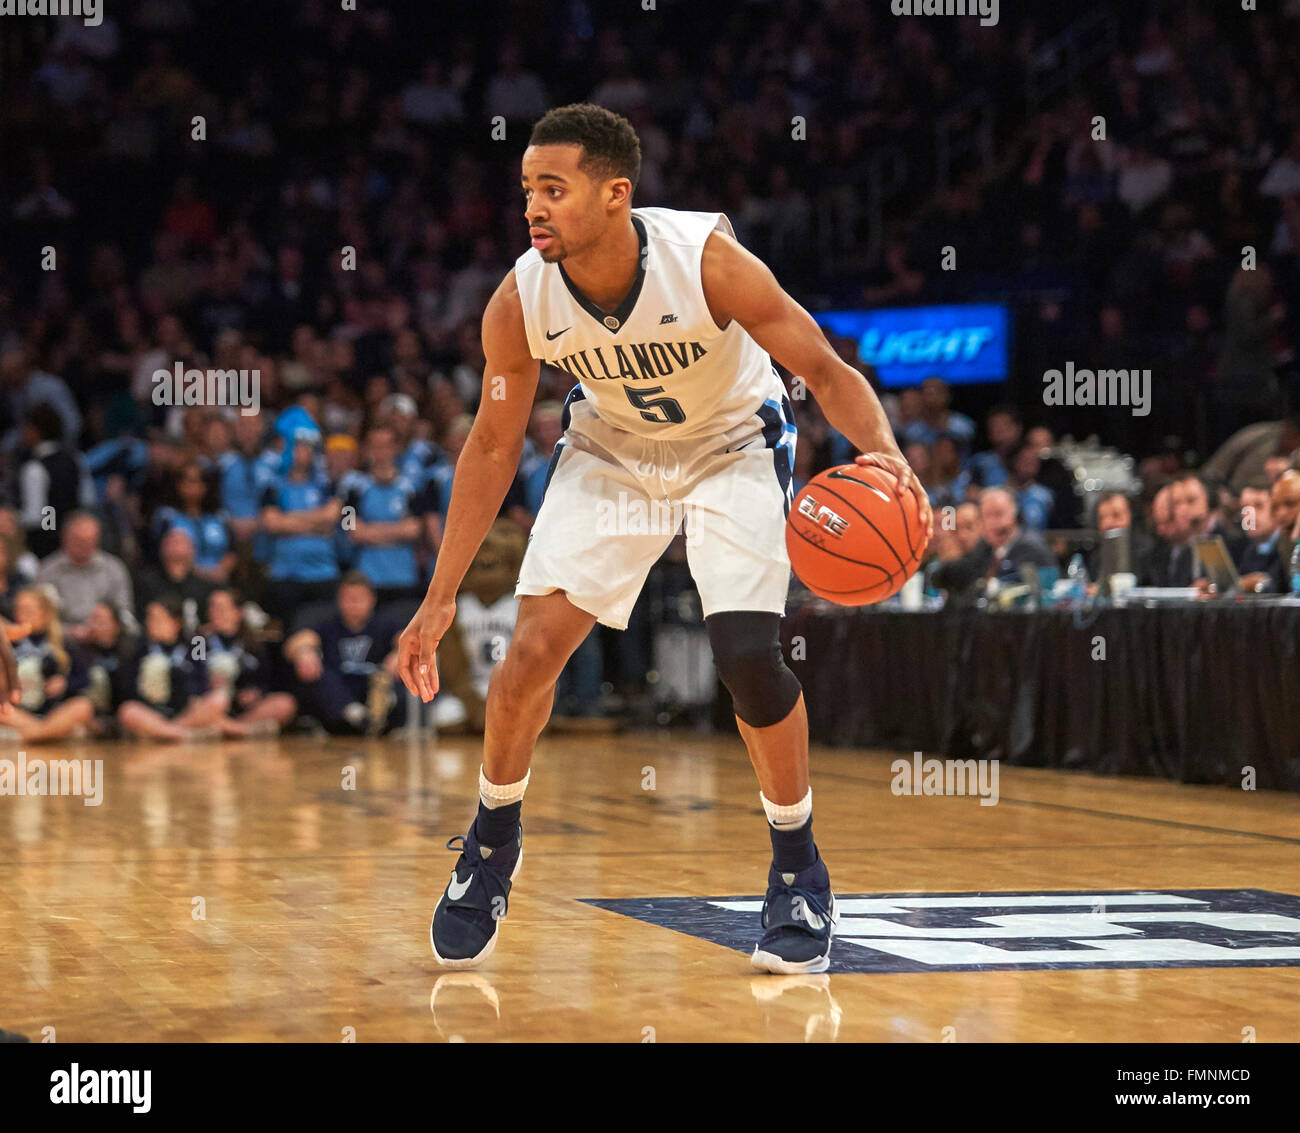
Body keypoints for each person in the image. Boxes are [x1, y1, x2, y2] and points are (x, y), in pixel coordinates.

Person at [397, 104, 929, 975]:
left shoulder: (706, 261)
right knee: (529, 651)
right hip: (611, 453)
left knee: (747, 656)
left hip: (732, 446)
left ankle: (797, 867)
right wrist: (441, 594)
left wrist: (889, 457)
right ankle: (494, 837)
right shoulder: (520, 297)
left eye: (554, 189)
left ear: (615, 194)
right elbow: (492, 444)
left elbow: (825, 368)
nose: (533, 206)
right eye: (528, 187)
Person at [284, 571, 402, 736]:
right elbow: (296, 643)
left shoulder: (385, 624)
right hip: (338, 693)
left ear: (372, 599)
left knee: (394, 674)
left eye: (359, 598)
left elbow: (406, 641)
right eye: (348, 598)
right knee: (323, 675)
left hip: (373, 687)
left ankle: (380, 717)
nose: (354, 604)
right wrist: (304, 652)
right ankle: (356, 715)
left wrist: (400, 654)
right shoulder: (328, 624)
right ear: (339, 601)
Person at [116, 594, 227, 741]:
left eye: (158, 618)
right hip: (152, 711)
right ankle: (182, 734)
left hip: (185, 712)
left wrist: (192, 693)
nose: (151, 623)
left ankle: (166, 732)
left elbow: (201, 678)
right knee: (128, 711)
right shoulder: (139, 646)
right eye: (149, 618)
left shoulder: (196, 643)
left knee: (219, 699)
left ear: (176, 622)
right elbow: (128, 687)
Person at [930, 487, 1056, 605]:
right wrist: (948, 560)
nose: (992, 524)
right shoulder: (985, 548)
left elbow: (1019, 591)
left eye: (998, 514)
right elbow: (948, 578)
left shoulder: (1030, 547)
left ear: (1013, 514)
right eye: (987, 516)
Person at [0, 586, 95, 743]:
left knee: (84, 706)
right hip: (19, 713)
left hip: (54, 711)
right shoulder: (8, 642)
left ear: (45, 613)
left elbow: (85, 678)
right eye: (19, 609)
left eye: (28, 610)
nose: (21, 614)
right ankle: (46, 733)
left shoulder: (64, 642)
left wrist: (65, 683)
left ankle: (35, 734)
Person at [201, 588, 297, 737]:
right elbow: (190, 672)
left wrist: (255, 693)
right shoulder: (199, 640)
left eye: (222, 608)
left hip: (243, 710)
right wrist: (208, 682)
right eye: (212, 607)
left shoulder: (253, 643)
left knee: (285, 703)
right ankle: (241, 731)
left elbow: (264, 679)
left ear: (238, 612)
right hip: (212, 703)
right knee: (214, 702)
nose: (215, 612)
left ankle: (229, 729)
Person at [35, 511, 135, 638]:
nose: (86, 545)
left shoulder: (114, 568)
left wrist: (109, 628)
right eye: (80, 540)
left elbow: (125, 613)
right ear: (65, 538)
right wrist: (71, 632)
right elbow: (42, 619)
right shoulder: (48, 571)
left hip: (108, 640)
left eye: (91, 540)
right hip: (63, 641)